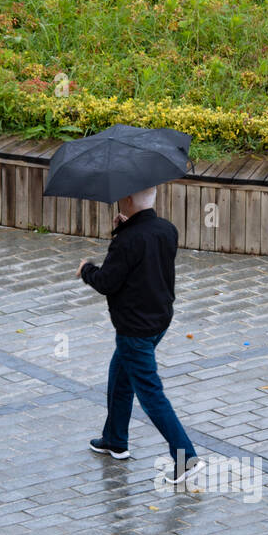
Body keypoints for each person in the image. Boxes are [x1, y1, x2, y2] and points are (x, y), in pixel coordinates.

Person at [78, 185, 204, 485]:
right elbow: (142, 256)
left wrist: (86, 269)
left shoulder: (128, 241)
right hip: (159, 320)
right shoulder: (166, 230)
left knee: (150, 393)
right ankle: (115, 439)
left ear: (129, 199)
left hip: (134, 329)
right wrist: (124, 231)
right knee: (120, 376)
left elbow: (107, 282)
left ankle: (186, 457)